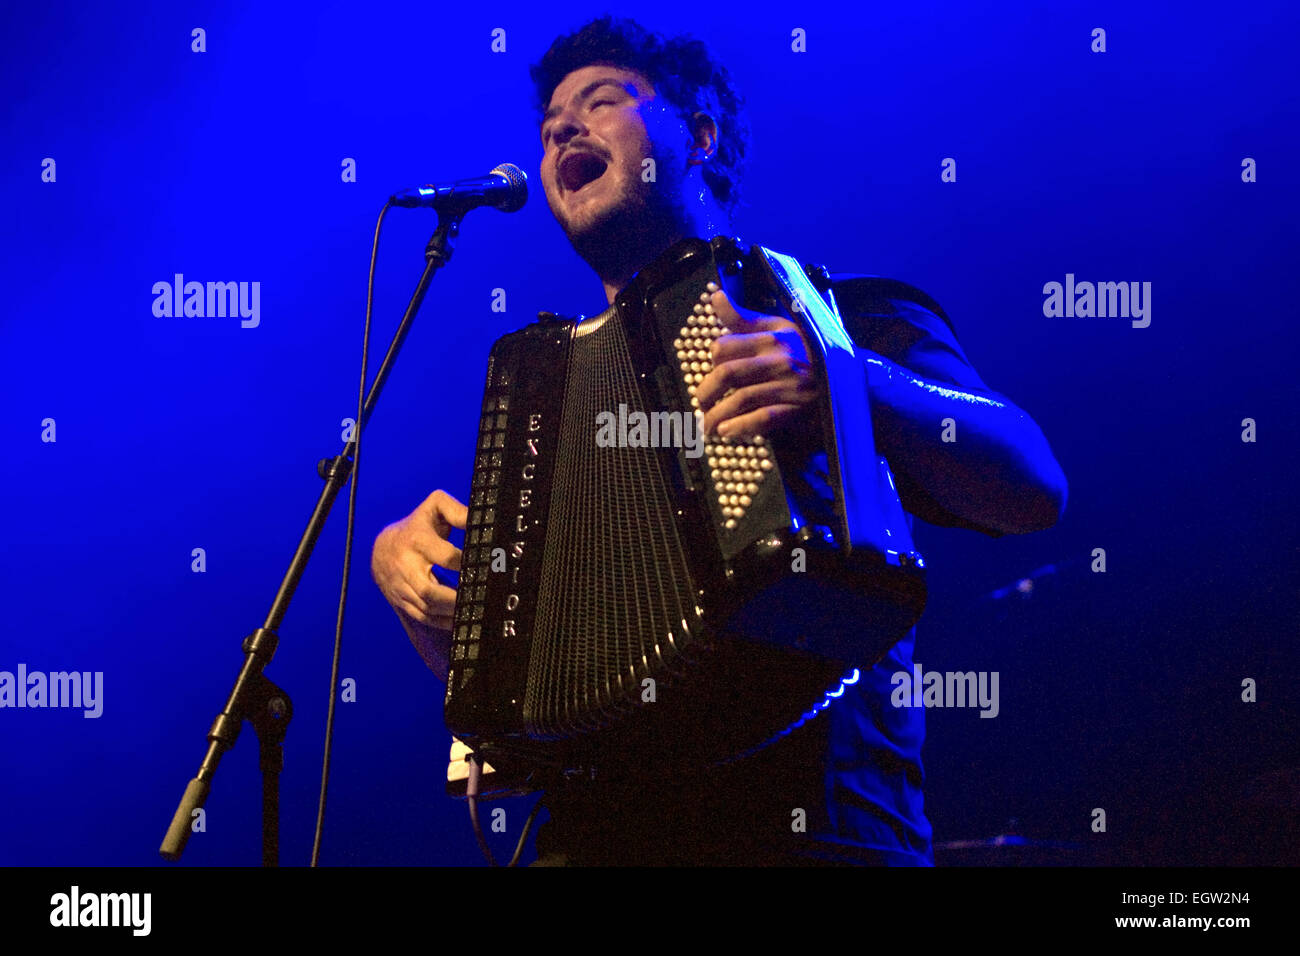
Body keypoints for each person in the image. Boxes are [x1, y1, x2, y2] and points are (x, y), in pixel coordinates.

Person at [370, 16, 1068, 866]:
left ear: (698, 136)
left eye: (599, 101)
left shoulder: (837, 315)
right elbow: (520, 713)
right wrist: (434, 594)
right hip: (594, 841)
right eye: (550, 121)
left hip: (818, 836)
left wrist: (844, 382)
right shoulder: (547, 395)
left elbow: (1033, 482)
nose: (561, 130)